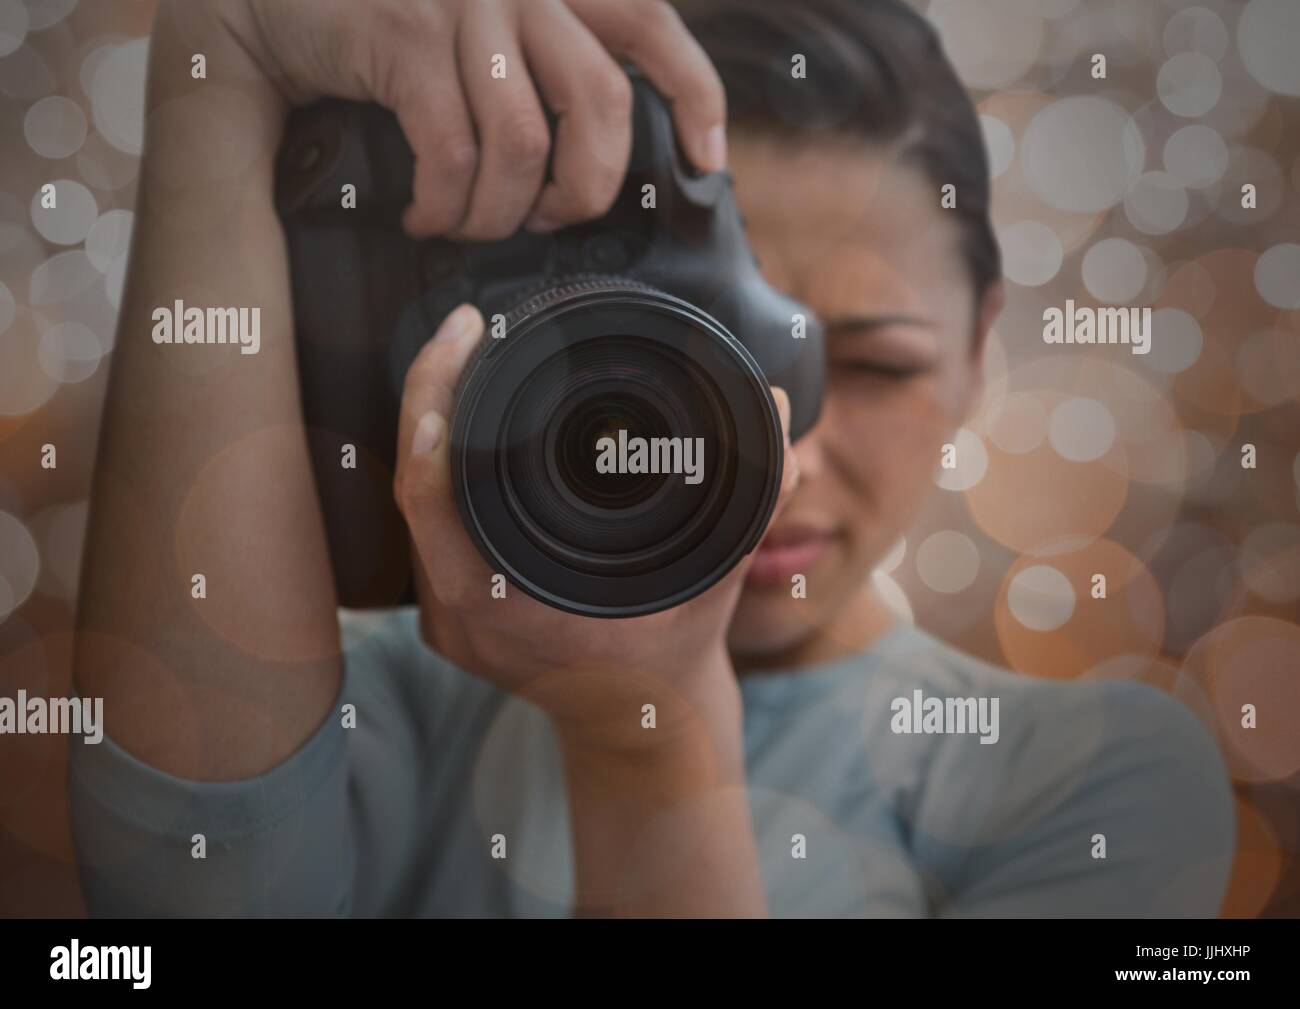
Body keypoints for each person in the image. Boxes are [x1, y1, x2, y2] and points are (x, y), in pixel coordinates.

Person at [70, 0, 1235, 917]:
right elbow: (171, 915)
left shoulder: (1092, 782)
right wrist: (215, 69)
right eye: (678, 354)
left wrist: (647, 731)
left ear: (982, 353)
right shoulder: (355, 688)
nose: (780, 450)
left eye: (869, 366)